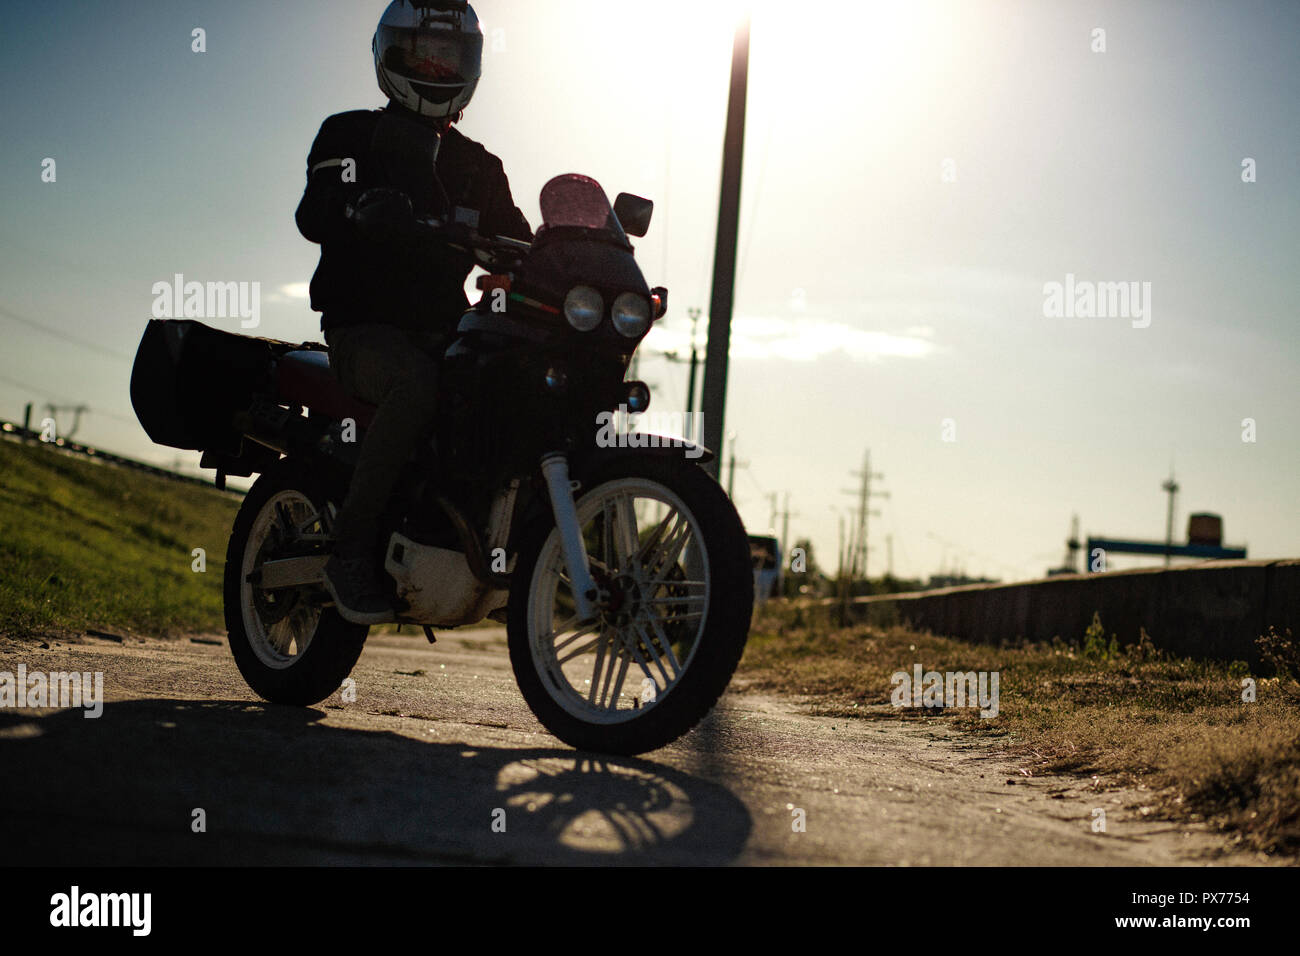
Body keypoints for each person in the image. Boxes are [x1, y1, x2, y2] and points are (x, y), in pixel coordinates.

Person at [295, 0, 532, 624]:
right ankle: (349, 550)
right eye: (425, 51)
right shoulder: (350, 134)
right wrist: (359, 209)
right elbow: (312, 213)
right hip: (362, 331)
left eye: (450, 55)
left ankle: (511, 554)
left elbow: (522, 243)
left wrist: (551, 261)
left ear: (469, 65)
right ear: (392, 53)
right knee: (417, 385)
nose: (436, 64)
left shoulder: (481, 167)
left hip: (446, 332)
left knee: (514, 386)